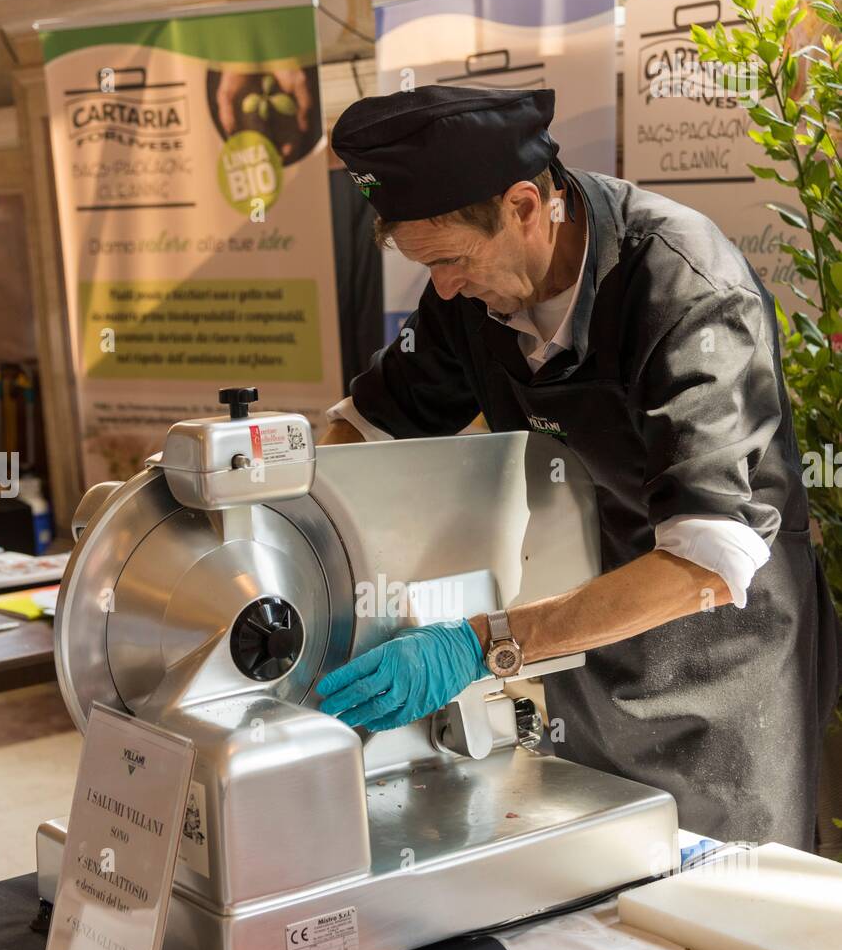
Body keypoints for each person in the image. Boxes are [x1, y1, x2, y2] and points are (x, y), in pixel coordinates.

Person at [316, 85, 840, 849]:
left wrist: (480, 644)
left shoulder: (683, 287)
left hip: (722, 669)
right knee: (601, 904)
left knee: (717, 920)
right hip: (586, 645)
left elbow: (707, 559)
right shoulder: (469, 291)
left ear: (525, 206)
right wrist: (280, 526)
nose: (446, 288)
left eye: (454, 261)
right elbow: (367, 423)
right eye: (427, 267)